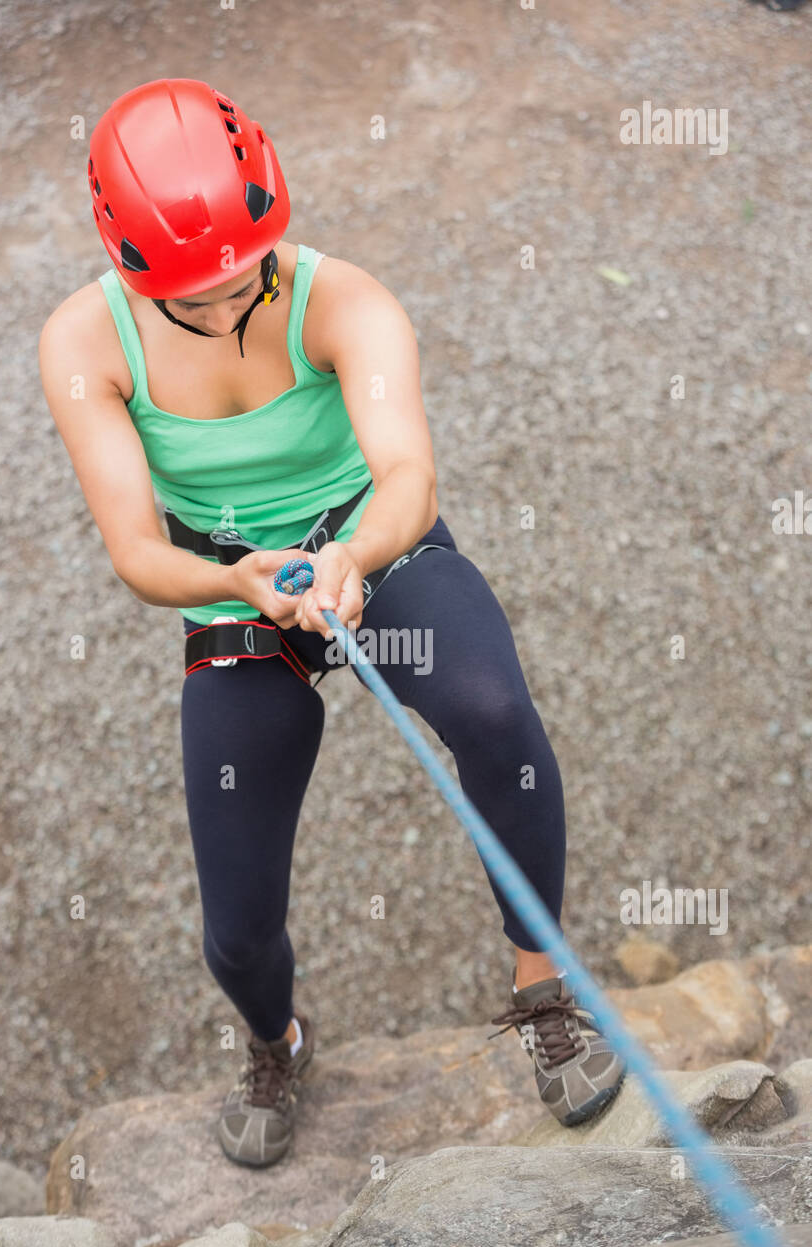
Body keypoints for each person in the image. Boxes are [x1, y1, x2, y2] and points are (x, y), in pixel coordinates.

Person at [39, 78, 625, 1169]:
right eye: (191, 298)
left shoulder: (343, 299)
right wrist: (252, 583)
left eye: (242, 279)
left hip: (373, 546)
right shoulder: (86, 340)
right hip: (237, 587)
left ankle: (542, 990)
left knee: (495, 714)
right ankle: (279, 1041)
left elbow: (404, 473)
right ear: (127, 269)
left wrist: (352, 555)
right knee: (237, 925)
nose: (225, 310)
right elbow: (135, 549)